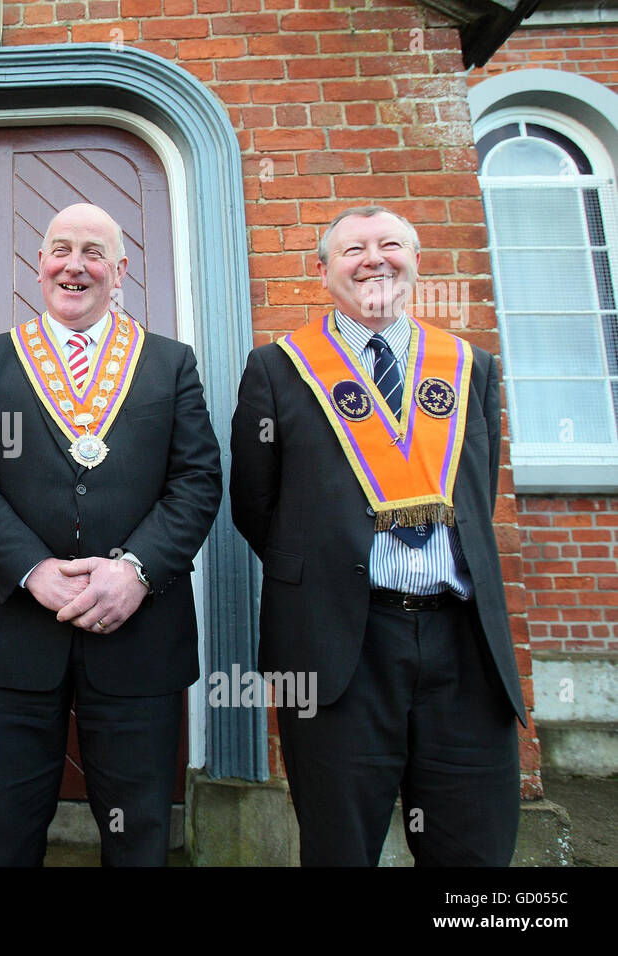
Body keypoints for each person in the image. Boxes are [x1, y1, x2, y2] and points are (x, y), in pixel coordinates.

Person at [230, 204, 526, 866]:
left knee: (474, 851)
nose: (375, 259)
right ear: (323, 271)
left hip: (463, 648)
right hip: (341, 648)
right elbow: (255, 503)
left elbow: (478, 493)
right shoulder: (278, 370)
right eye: (353, 249)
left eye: (391, 244)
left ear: (415, 260)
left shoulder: (471, 368)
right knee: (340, 848)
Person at [0, 203, 222, 866]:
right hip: (14, 634)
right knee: (8, 831)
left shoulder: (170, 363)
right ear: (40, 267)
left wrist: (137, 570)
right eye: (60, 249)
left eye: (94, 252)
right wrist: (32, 569)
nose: (75, 264)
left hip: (139, 632)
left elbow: (198, 480)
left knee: (138, 831)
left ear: (120, 270)